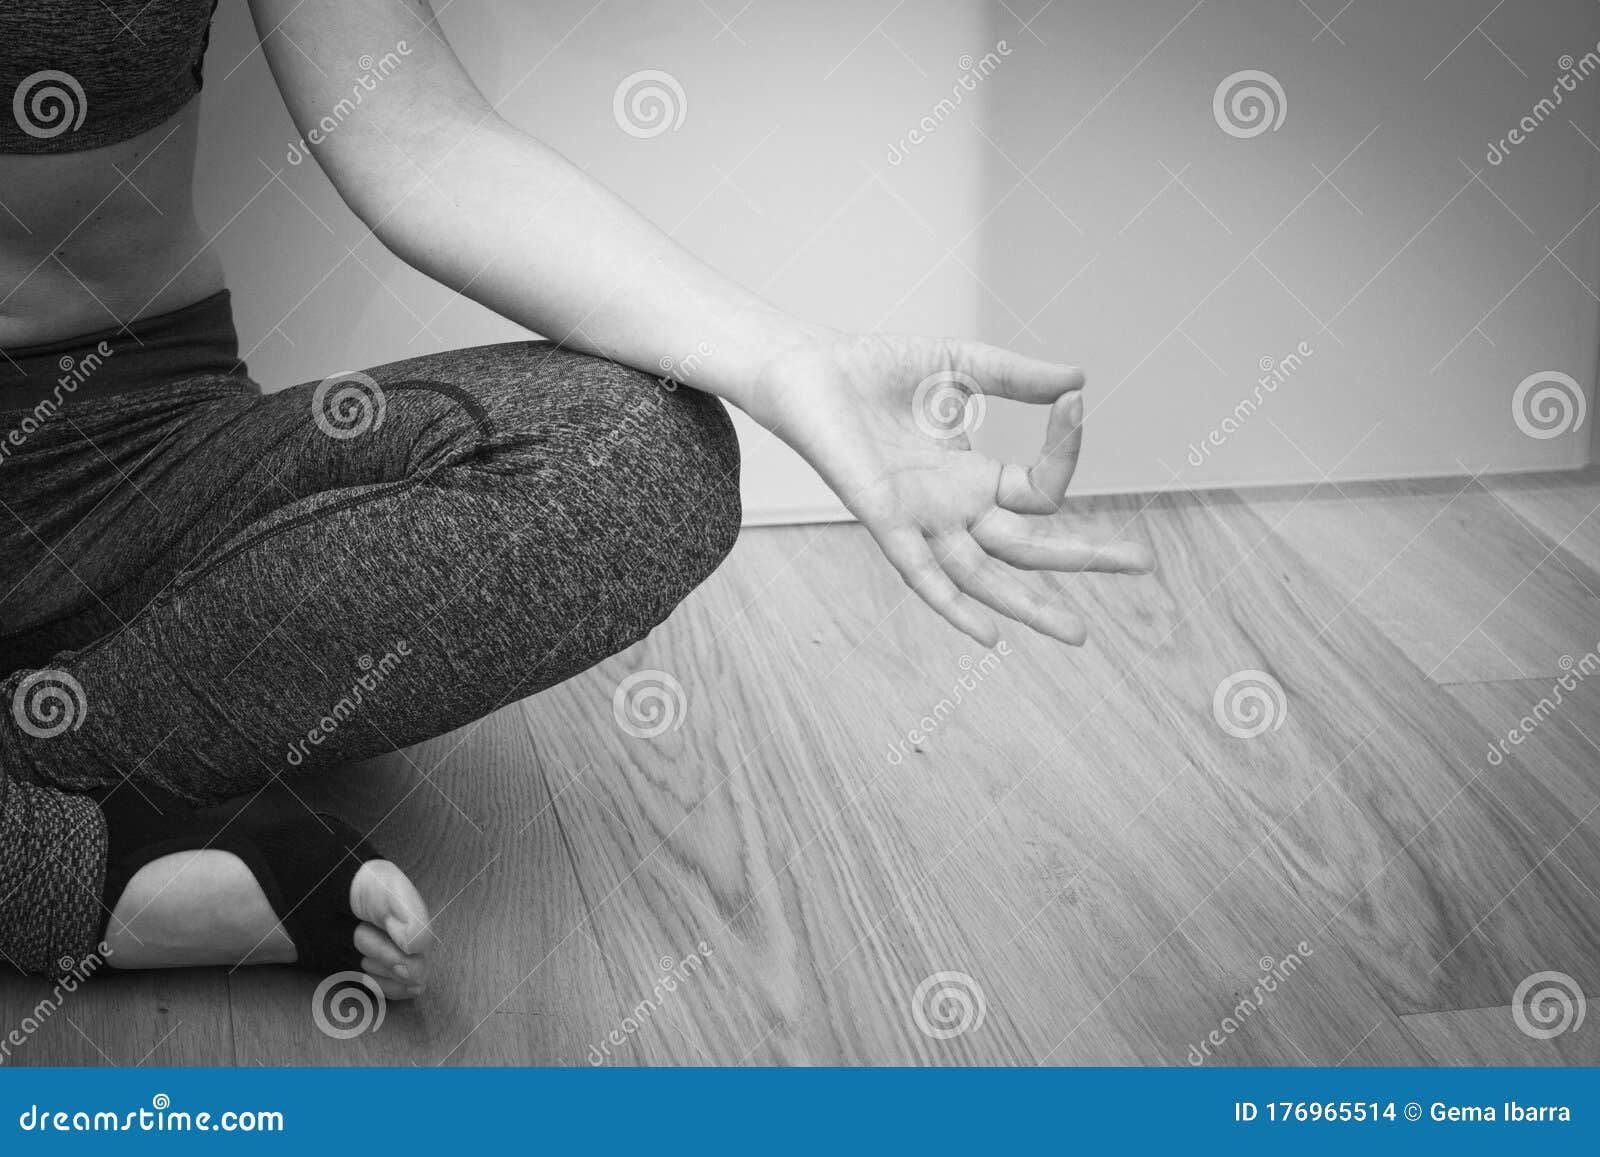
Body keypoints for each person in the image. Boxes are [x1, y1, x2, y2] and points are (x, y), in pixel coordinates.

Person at [0, 0, 1154, 1001]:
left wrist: (784, 359)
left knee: (644, 456)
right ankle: (65, 854)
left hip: (146, 440)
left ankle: (45, 758)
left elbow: (415, 133)